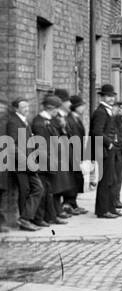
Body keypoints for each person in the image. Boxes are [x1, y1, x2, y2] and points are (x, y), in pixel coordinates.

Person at [30, 95, 68, 226]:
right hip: (43, 163)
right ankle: (40, 218)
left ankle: (51, 216)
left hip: (52, 161)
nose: (57, 113)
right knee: (44, 192)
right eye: (56, 110)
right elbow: (41, 146)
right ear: (51, 109)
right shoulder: (39, 123)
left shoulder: (49, 121)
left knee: (50, 191)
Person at [5, 98, 42, 231]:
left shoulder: (24, 121)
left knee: (36, 188)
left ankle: (25, 218)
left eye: (27, 106)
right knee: (26, 191)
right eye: (23, 107)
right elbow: (12, 144)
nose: (27, 109)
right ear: (16, 109)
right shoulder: (14, 122)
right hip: (20, 164)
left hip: (28, 163)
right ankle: (25, 220)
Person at [90, 85, 121, 219]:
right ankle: (102, 210)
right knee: (105, 180)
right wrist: (109, 143)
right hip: (104, 150)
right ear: (102, 97)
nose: (111, 99)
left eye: (112, 96)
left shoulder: (107, 111)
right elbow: (97, 132)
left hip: (109, 150)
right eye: (108, 96)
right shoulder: (101, 112)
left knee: (111, 179)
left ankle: (110, 208)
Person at [65, 95, 89, 215]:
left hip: (76, 153)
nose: (83, 107)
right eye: (81, 106)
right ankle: (69, 203)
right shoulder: (69, 120)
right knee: (74, 178)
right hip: (72, 153)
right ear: (75, 107)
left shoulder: (76, 118)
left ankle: (73, 203)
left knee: (77, 178)